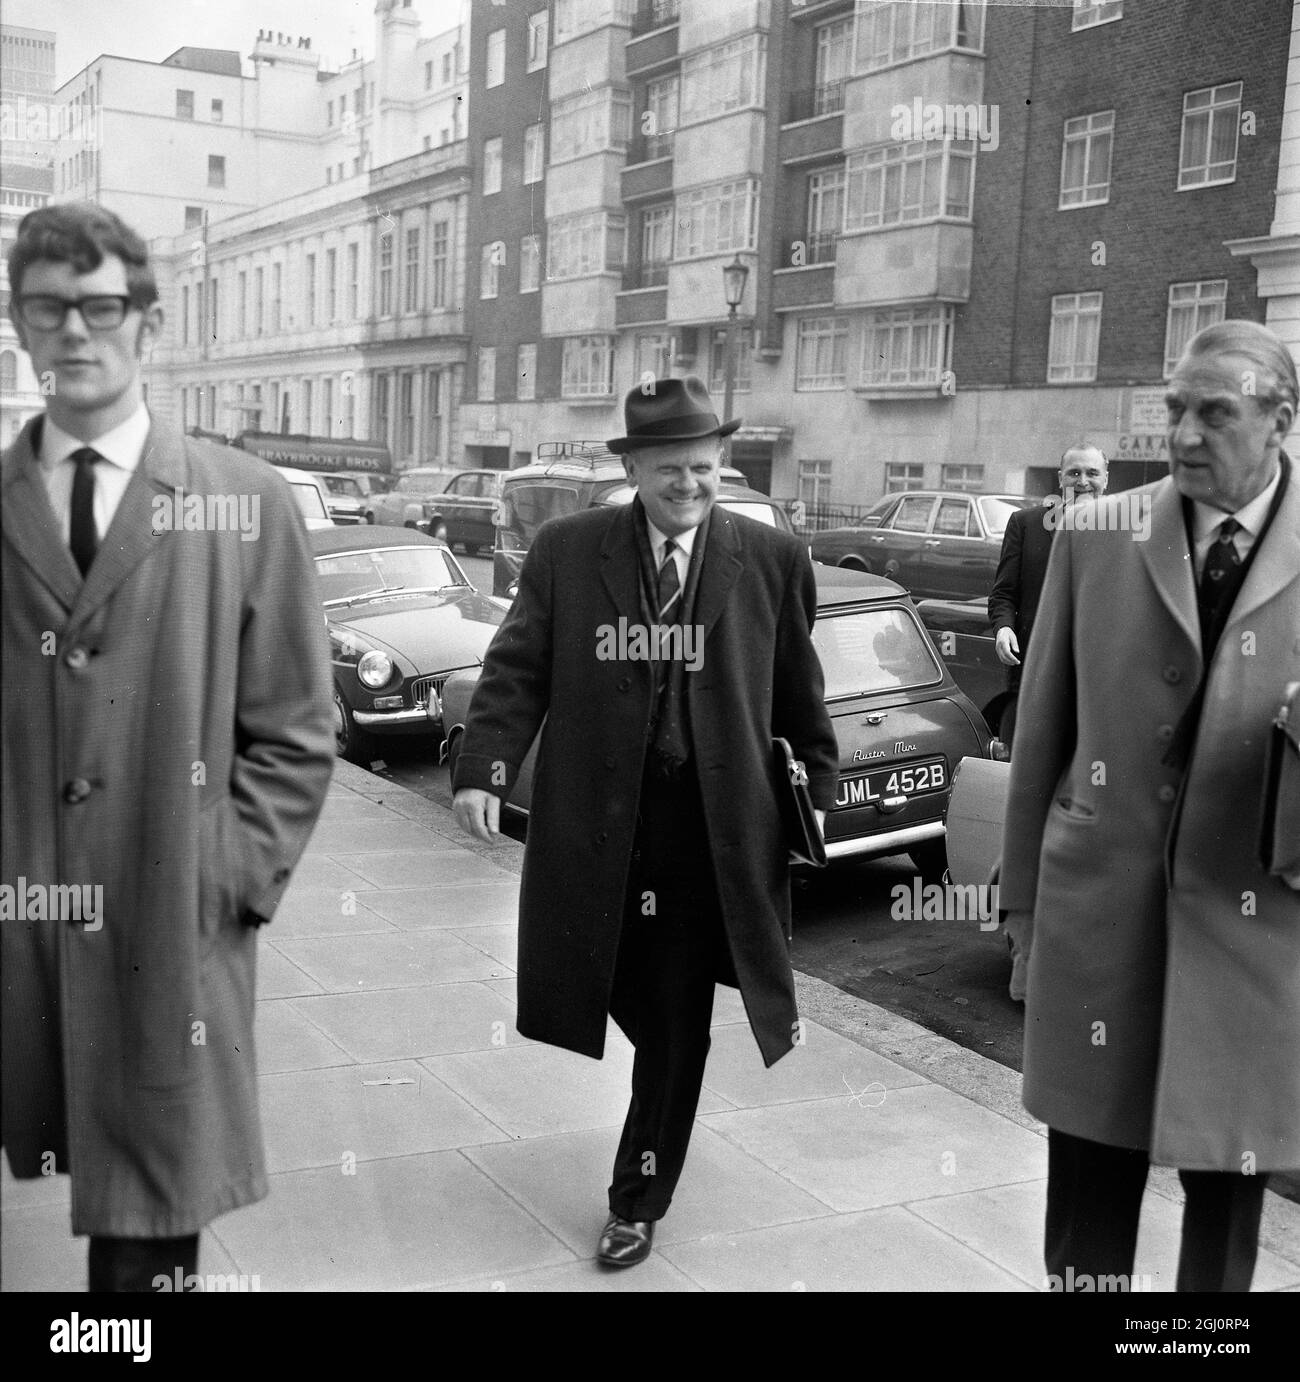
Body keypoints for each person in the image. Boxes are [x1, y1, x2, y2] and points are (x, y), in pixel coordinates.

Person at [1, 203, 336, 1291]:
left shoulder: (247, 503)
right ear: (19, 322)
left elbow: (294, 729)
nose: (76, 331)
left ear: (148, 318)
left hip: (165, 936)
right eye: (48, 307)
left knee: (147, 1257)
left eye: (102, 304)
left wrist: (222, 877)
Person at [451, 375, 838, 1268]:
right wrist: (487, 766)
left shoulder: (771, 561)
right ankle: (661, 1068)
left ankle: (638, 1196)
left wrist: (815, 789)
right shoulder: (566, 550)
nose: (691, 486)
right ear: (636, 469)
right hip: (599, 823)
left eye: (704, 468)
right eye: (672, 471)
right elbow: (517, 669)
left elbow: (798, 693)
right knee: (602, 975)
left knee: (677, 1024)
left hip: (709, 833)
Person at [1000, 319, 1300, 1293]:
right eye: (1174, 409)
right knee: (1086, 1208)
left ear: (1279, 420)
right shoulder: (1094, 536)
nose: (1182, 436)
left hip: (1257, 942)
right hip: (1101, 927)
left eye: (1215, 414)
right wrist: (1023, 919)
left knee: (1223, 1226)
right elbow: (1040, 734)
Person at [989, 444, 1108, 728]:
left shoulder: (1128, 528)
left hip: (1099, 672)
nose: (1082, 482)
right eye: (1073, 473)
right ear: (1060, 479)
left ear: (1106, 479)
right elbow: (1003, 593)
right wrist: (1003, 627)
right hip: (1037, 666)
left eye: (1092, 473)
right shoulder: (1026, 523)